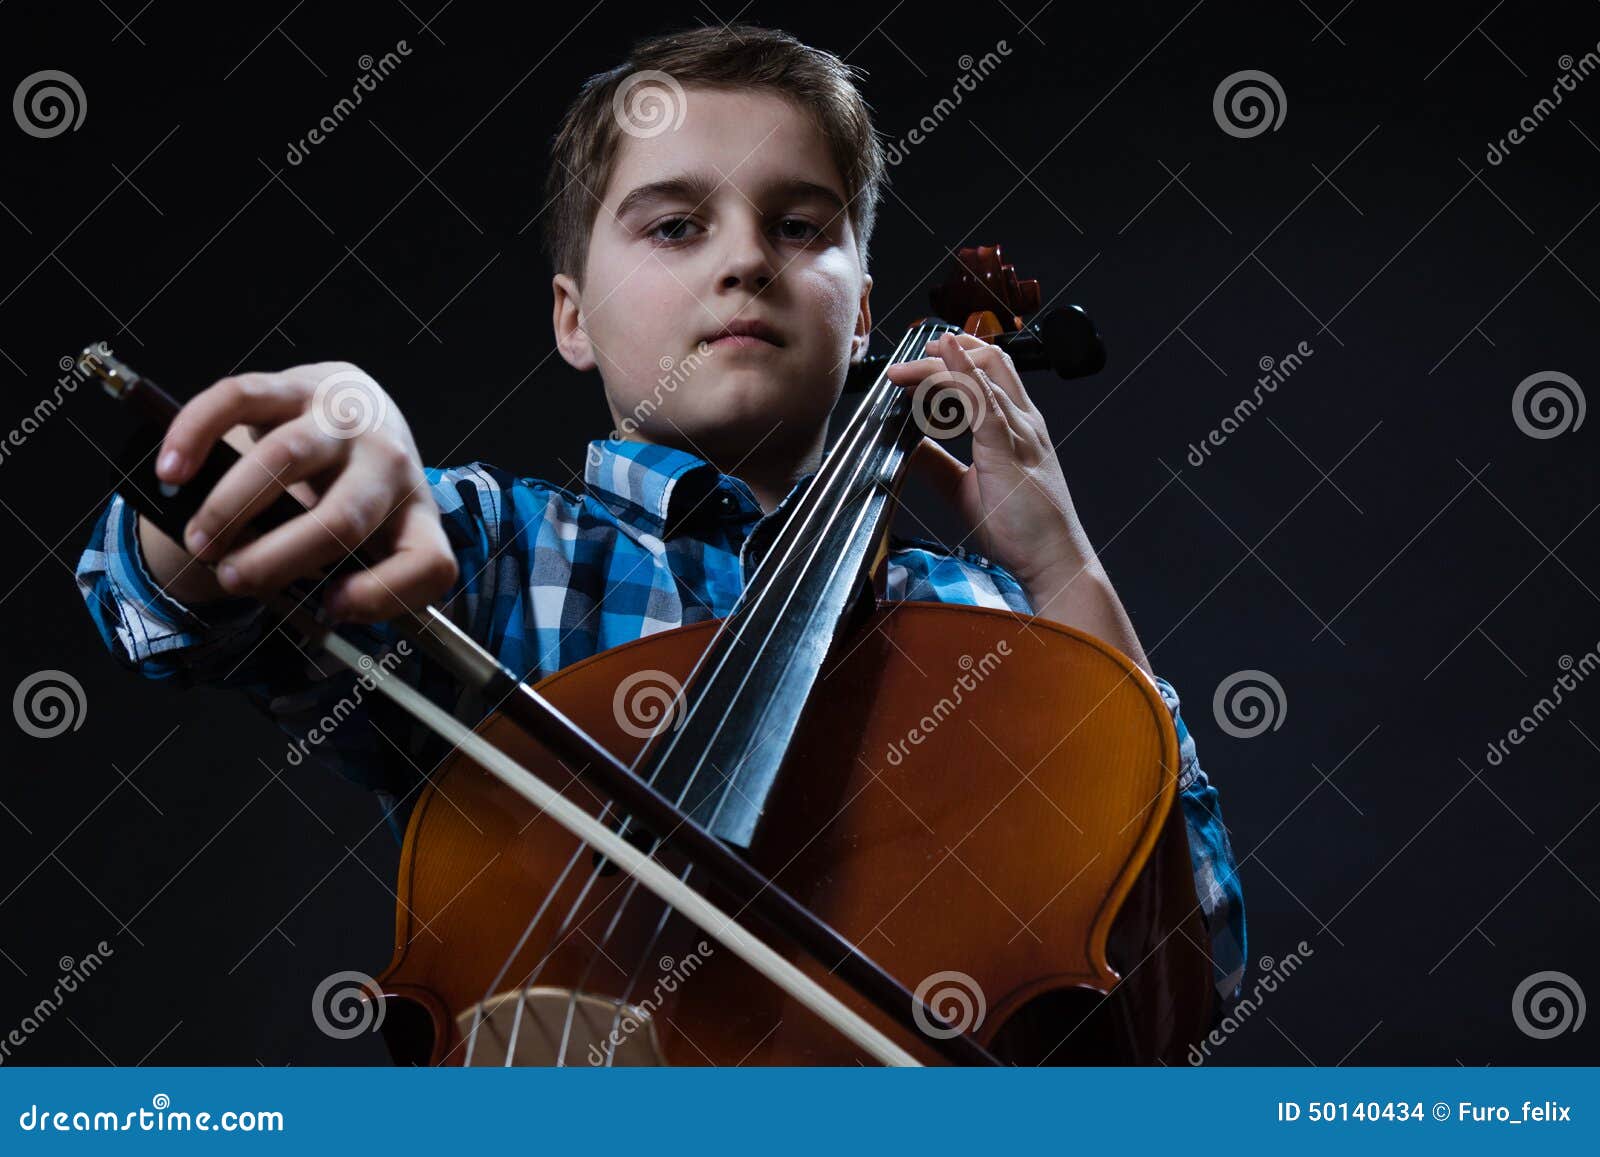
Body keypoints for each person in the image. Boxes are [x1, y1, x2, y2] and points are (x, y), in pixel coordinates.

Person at [75, 23, 1245, 1045]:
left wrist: (1062, 567)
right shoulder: (500, 550)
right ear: (571, 317)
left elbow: (1174, 968)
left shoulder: (984, 627)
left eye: (797, 225)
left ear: (866, 316)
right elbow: (175, 605)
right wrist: (323, 446)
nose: (744, 259)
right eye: (677, 225)